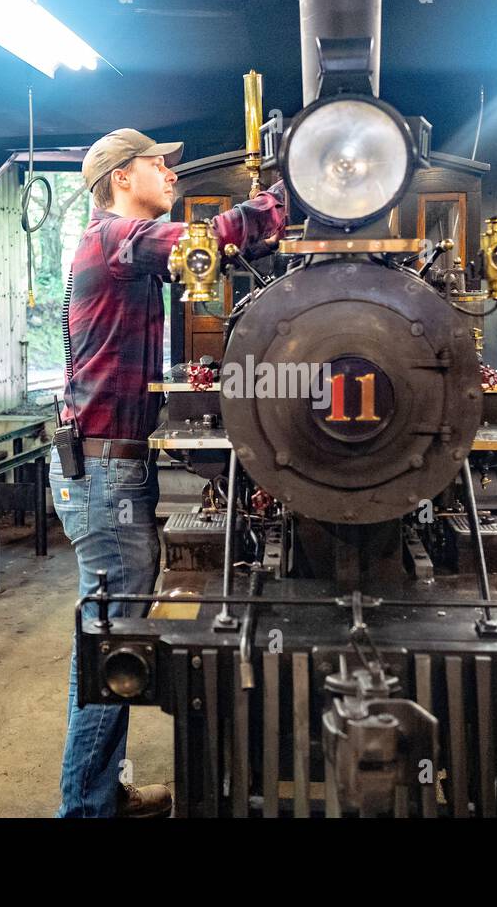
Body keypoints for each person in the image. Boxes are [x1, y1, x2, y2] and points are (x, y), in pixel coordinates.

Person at [52, 128, 288, 817]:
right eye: (159, 164)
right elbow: (202, 245)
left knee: (110, 631)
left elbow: (207, 254)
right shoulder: (115, 238)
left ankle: (101, 792)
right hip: (103, 473)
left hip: (103, 466)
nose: (169, 173)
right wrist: (280, 197)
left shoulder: (118, 245)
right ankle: (86, 810)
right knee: (112, 640)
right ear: (121, 177)